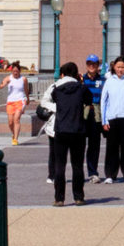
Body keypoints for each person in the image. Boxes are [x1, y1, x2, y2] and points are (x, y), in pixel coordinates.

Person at [46, 62, 88, 205]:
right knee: (77, 166)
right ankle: (78, 197)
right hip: (78, 130)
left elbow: (52, 99)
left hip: (61, 130)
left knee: (60, 165)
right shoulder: (82, 88)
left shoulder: (57, 90)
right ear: (77, 74)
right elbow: (88, 101)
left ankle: (59, 198)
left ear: (62, 74)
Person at [100, 57, 124, 182]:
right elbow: (104, 101)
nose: (120, 69)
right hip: (112, 118)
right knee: (111, 147)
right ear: (114, 68)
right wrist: (104, 120)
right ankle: (110, 174)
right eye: (118, 67)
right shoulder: (109, 81)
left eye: (123, 67)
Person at [81, 56, 106, 178]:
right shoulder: (81, 79)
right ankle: (79, 172)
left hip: (97, 113)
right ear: (86, 65)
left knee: (94, 145)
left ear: (98, 66)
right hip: (83, 113)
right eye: (89, 63)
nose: (92, 66)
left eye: (94, 64)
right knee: (80, 144)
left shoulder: (103, 80)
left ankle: (93, 172)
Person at [4, 67, 31, 146]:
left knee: (16, 119)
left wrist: (27, 98)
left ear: (19, 71)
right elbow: (3, 83)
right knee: (10, 122)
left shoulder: (23, 79)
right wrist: (2, 85)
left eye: (17, 71)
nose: (15, 72)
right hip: (10, 102)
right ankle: (14, 134)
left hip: (20, 101)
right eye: (13, 71)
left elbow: (26, 89)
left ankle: (15, 139)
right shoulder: (9, 78)